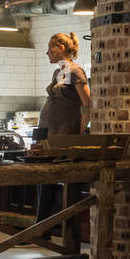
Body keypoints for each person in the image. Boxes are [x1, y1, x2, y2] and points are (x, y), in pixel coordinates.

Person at [37, 32, 91, 231]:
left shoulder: (75, 71)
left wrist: (81, 131)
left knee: (53, 180)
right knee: (44, 180)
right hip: (50, 133)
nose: (46, 53)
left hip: (64, 135)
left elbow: (87, 104)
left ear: (61, 48)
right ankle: (42, 228)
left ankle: (50, 228)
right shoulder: (59, 72)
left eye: (50, 48)